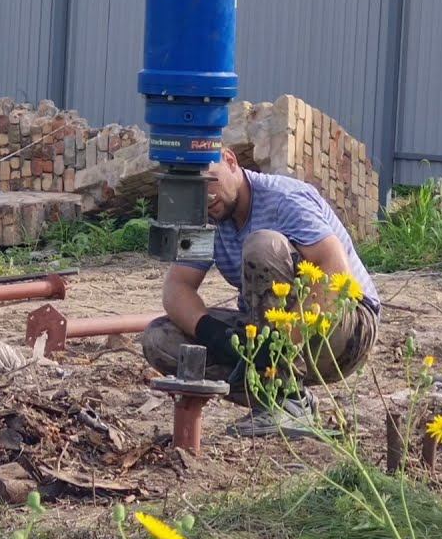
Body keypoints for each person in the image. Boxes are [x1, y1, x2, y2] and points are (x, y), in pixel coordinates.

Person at [141, 147, 381, 438]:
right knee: (160, 339)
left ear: (231, 161)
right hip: (271, 332)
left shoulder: (283, 199)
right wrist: (214, 335)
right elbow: (177, 288)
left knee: (262, 246)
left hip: (344, 325)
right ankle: (280, 400)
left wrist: (280, 344)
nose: (206, 196)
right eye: (195, 188)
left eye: (211, 181)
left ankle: (288, 398)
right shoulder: (203, 215)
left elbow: (334, 269)